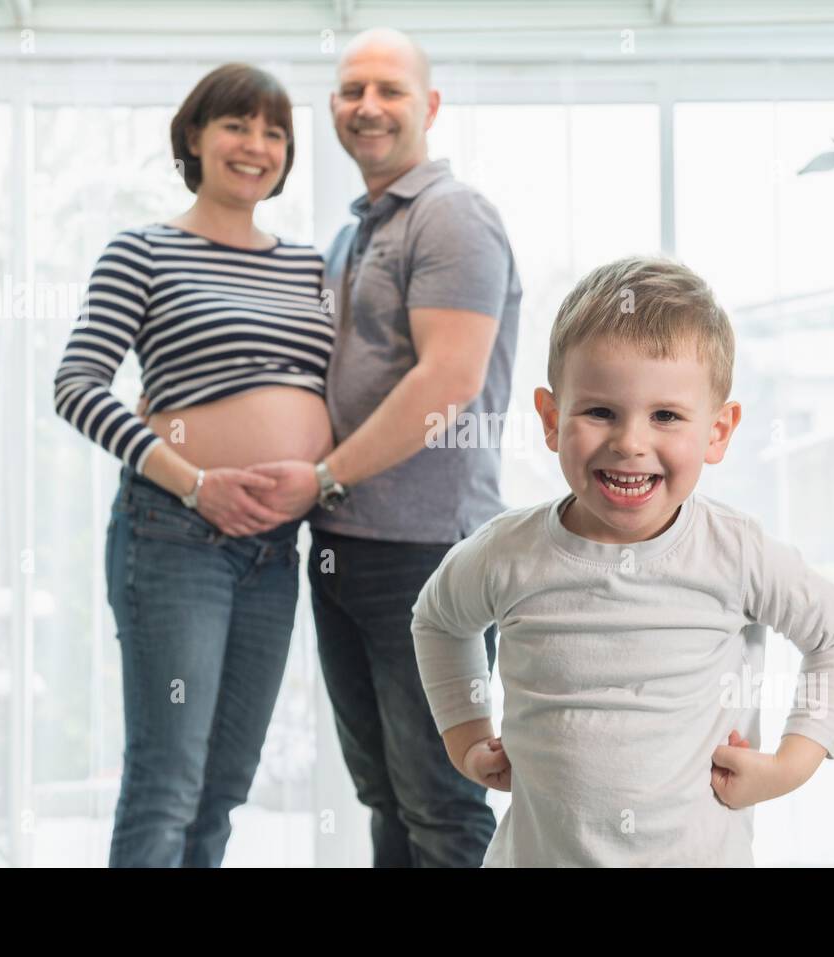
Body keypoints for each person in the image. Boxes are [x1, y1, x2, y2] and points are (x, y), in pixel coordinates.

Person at [410, 256, 834, 866]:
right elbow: (439, 620)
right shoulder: (508, 553)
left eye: (666, 416)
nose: (630, 442)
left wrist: (793, 762)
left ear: (718, 430)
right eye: (600, 411)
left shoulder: (733, 552)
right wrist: (465, 736)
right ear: (552, 420)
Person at [244, 28, 522, 867]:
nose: (368, 106)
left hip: (426, 552)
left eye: (390, 89)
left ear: (429, 106)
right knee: (385, 799)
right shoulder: (351, 234)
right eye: (351, 89)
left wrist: (323, 475)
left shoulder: (453, 215)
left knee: (441, 800)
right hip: (344, 547)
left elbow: (448, 382)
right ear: (331, 107)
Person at [52, 63, 333, 867]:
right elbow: (75, 385)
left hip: (274, 551)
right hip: (173, 534)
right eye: (237, 125)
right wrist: (195, 480)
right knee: (166, 784)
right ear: (193, 139)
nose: (257, 145)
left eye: (275, 132)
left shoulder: (309, 266)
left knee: (224, 785)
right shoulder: (142, 250)